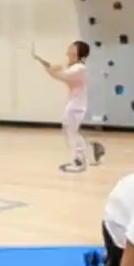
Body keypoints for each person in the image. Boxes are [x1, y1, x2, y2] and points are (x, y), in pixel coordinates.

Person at [33, 41, 105, 173]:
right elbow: (58, 75)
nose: (69, 51)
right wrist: (45, 65)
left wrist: (53, 67)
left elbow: (63, 74)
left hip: (76, 107)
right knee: (71, 132)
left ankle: (79, 162)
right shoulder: (75, 67)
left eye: (73, 48)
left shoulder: (80, 68)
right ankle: (91, 150)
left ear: (78, 53)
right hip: (74, 105)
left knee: (71, 133)